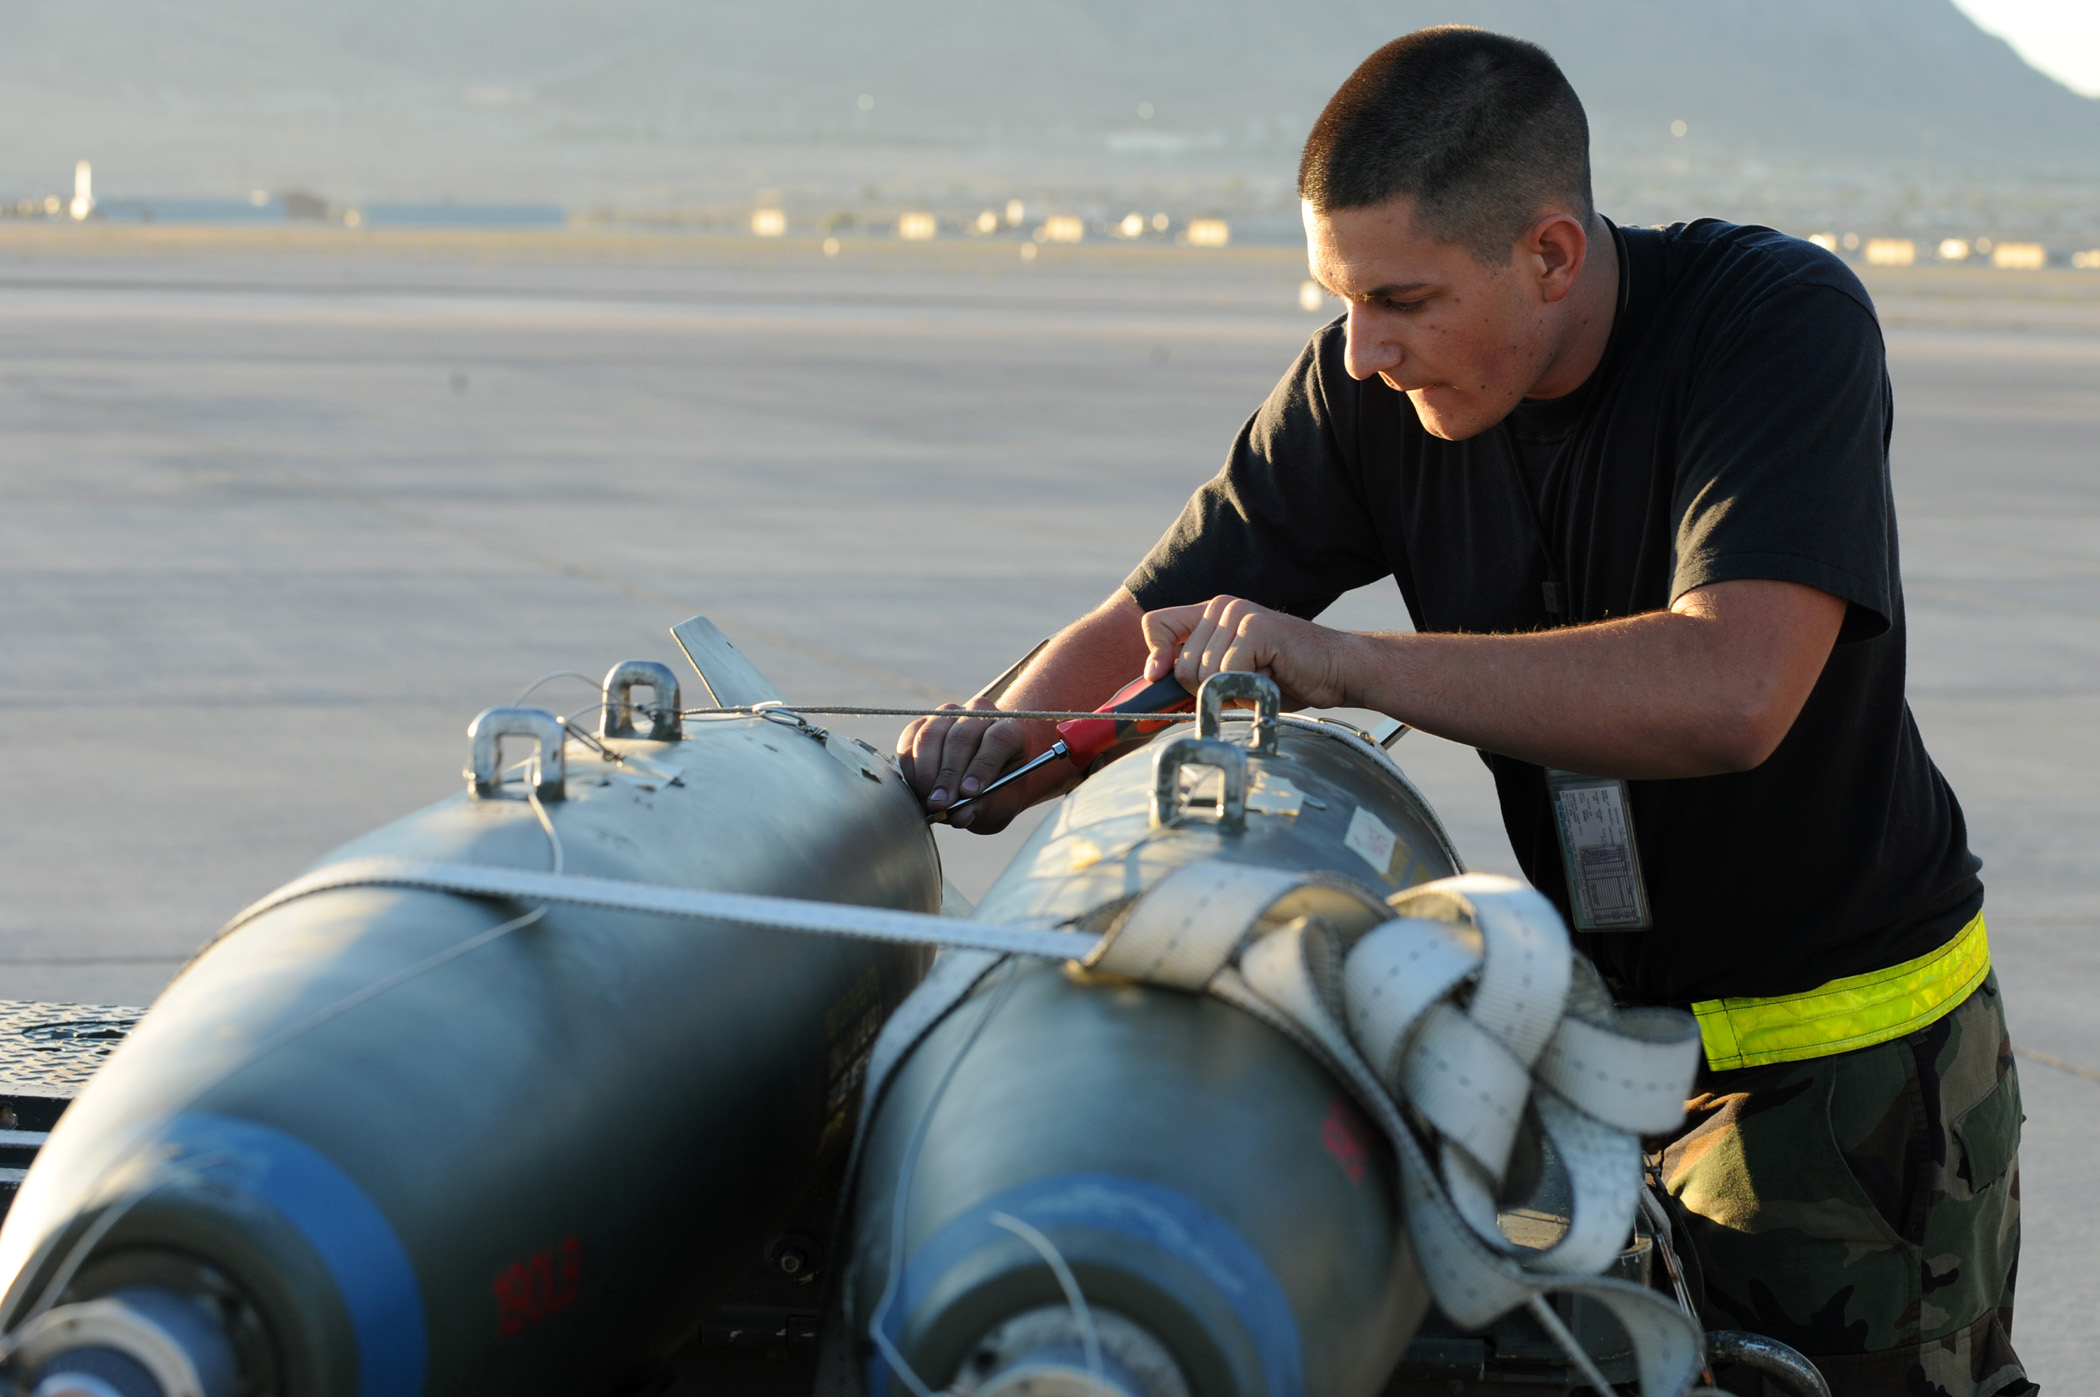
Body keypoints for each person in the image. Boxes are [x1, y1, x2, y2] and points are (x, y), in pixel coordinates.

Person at [895, 26, 2031, 1397]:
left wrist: (1349, 663)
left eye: (1404, 301)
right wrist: (1016, 749)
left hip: (1848, 1077)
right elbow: (1150, 622)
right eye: (1341, 298)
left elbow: (1734, 690)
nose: (1363, 349)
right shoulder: (1369, 390)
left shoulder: (1772, 326)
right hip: (1596, 1070)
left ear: (1549, 254)